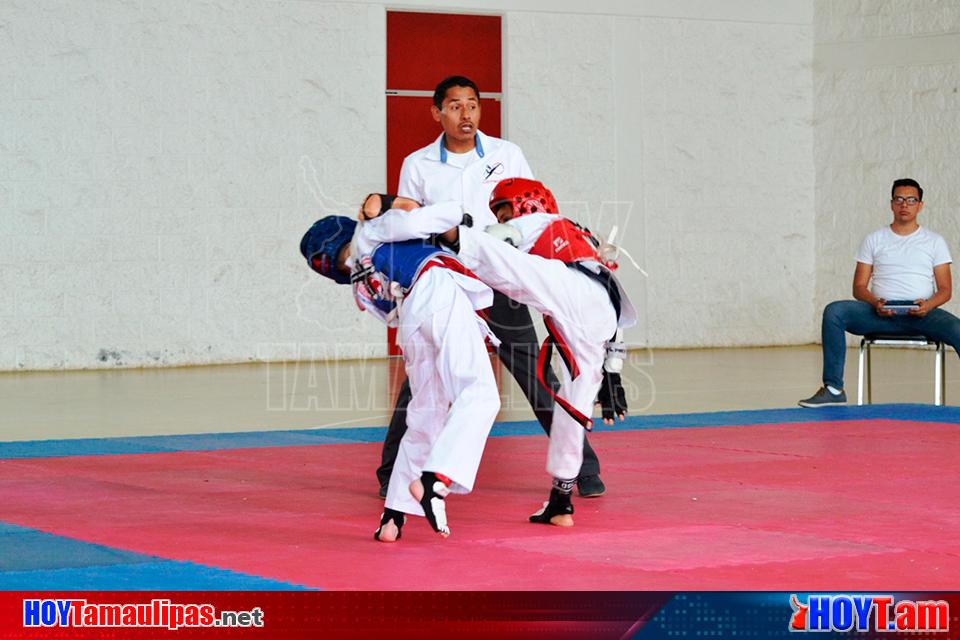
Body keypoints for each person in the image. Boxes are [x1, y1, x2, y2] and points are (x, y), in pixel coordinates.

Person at [376, 75, 613, 499]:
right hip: (447, 281)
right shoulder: (418, 164)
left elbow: (531, 212)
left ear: (480, 110)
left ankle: (582, 470)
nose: (464, 114)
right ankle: (391, 472)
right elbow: (410, 223)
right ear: (437, 112)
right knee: (424, 379)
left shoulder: (508, 155)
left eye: (472, 104)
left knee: (538, 378)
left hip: (501, 279)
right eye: (454, 105)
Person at [358, 180, 636, 526]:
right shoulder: (580, 235)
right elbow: (609, 298)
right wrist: (613, 367)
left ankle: (433, 224)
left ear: (528, 202)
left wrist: (443, 229)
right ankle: (561, 499)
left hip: (566, 287)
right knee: (574, 405)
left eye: (504, 209)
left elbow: (500, 244)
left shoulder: (537, 223)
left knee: (499, 260)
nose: (503, 217)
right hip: (598, 314)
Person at [300, 212, 499, 541]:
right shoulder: (377, 229)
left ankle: (393, 516)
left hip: (412, 322)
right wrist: (436, 210)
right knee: (480, 394)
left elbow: (392, 314)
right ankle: (437, 479)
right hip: (436, 292)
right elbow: (441, 214)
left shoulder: (360, 287)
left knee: (425, 416)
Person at [799, 178, 960, 407]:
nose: (905, 204)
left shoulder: (934, 242)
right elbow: (859, 287)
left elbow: (945, 290)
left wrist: (928, 304)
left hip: (923, 313)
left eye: (911, 200)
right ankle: (834, 389)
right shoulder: (874, 239)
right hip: (879, 312)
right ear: (891, 204)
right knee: (834, 312)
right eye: (899, 199)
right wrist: (875, 302)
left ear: (920, 205)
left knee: (958, 329)